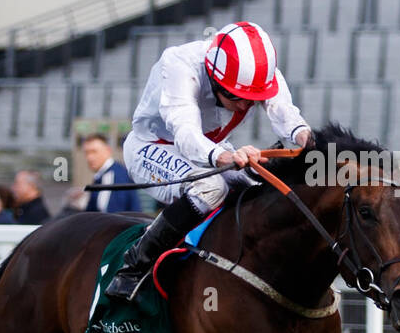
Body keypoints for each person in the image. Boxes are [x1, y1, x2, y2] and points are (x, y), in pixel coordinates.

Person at [105, 21, 313, 300]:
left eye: (253, 100)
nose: (244, 106)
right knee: (212, 188)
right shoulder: (179, 64)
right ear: (215, 79)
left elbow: (284, 112)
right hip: (152, 147)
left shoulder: (260, 71)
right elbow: (186, 133)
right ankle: (135, 264)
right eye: (237, 97)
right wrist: (226, 155)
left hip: (208, 148)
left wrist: (308, 140)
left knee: (260, 186)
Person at [82, 133, 141, 214]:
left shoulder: (114, 176)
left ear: (108, 151)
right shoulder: (103, 175)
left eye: (94, 151)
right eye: (87, 153)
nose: (89, 157)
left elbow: (112, 217)